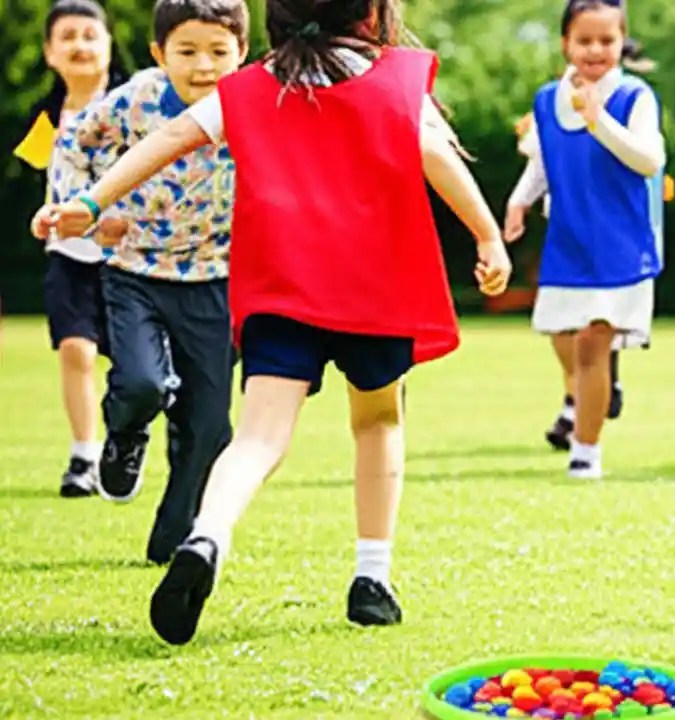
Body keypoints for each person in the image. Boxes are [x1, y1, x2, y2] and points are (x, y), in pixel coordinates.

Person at [36, 0, 511, 645]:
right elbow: (438, 157)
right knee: (377, 421)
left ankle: (207, 536)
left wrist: (89, 202)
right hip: (374, 290)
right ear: (371, 13)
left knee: (258, 438)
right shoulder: (395, 79)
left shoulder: (249, 87)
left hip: (282, 289)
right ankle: (372, 578)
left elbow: (168, 139)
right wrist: (487, 237)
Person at [49, 0, 249, 566]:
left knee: (209, 424)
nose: (204, 65)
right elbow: (74, 144)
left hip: (218, 280)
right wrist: (80, 209)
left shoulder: (252, 106)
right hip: (135, 270)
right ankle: (124, 434)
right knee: (139, 384)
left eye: (218, 51)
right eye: (187, 51)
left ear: (243, 53)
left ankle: (175, 533)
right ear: (161, 54)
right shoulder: (135, 99)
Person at [502, 0, 666, 479]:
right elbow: (543, 160)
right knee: (564, 338)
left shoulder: (634, 96)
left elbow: (648, 161)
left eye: (607, 40)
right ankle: (589, 396)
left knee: (594, 344)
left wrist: (600, 121)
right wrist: (519, 202)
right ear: (565, 44)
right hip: (568, 241)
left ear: (621, 42)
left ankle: (586, 453)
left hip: (621, 244)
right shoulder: (546, 99)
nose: (595, 50)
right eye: (584, 40)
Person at [15, 0, 125, 498]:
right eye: (68, 37)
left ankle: (125, 445)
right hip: (67, 256)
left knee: (132, 366)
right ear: (49, 52)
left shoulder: (130, 108)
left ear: (107, 47)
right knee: (75, 351)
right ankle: (84, 456)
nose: (79, 45)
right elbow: (39, 176)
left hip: (126, 255)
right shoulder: (45, 119)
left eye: (89, 35)